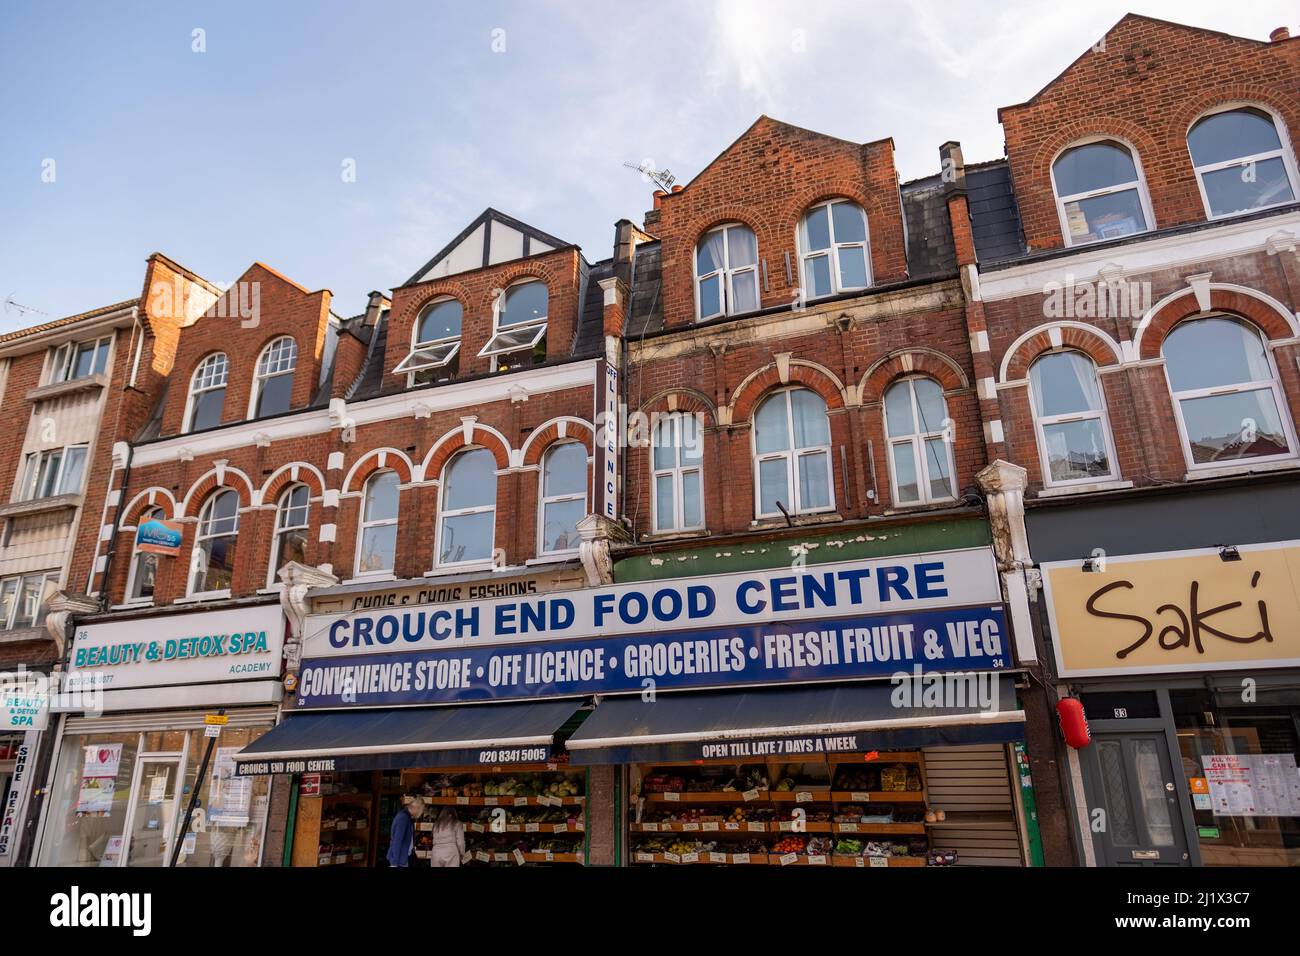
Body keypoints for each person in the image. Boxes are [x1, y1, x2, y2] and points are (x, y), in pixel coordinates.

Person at [386, 796, 425, 867]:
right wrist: (394, 863)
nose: (420, 814)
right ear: (416, 808)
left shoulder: (407, 817)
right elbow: (397, 841)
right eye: (421, 811)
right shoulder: (403, 818)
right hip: (400, 859)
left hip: (403, 857)